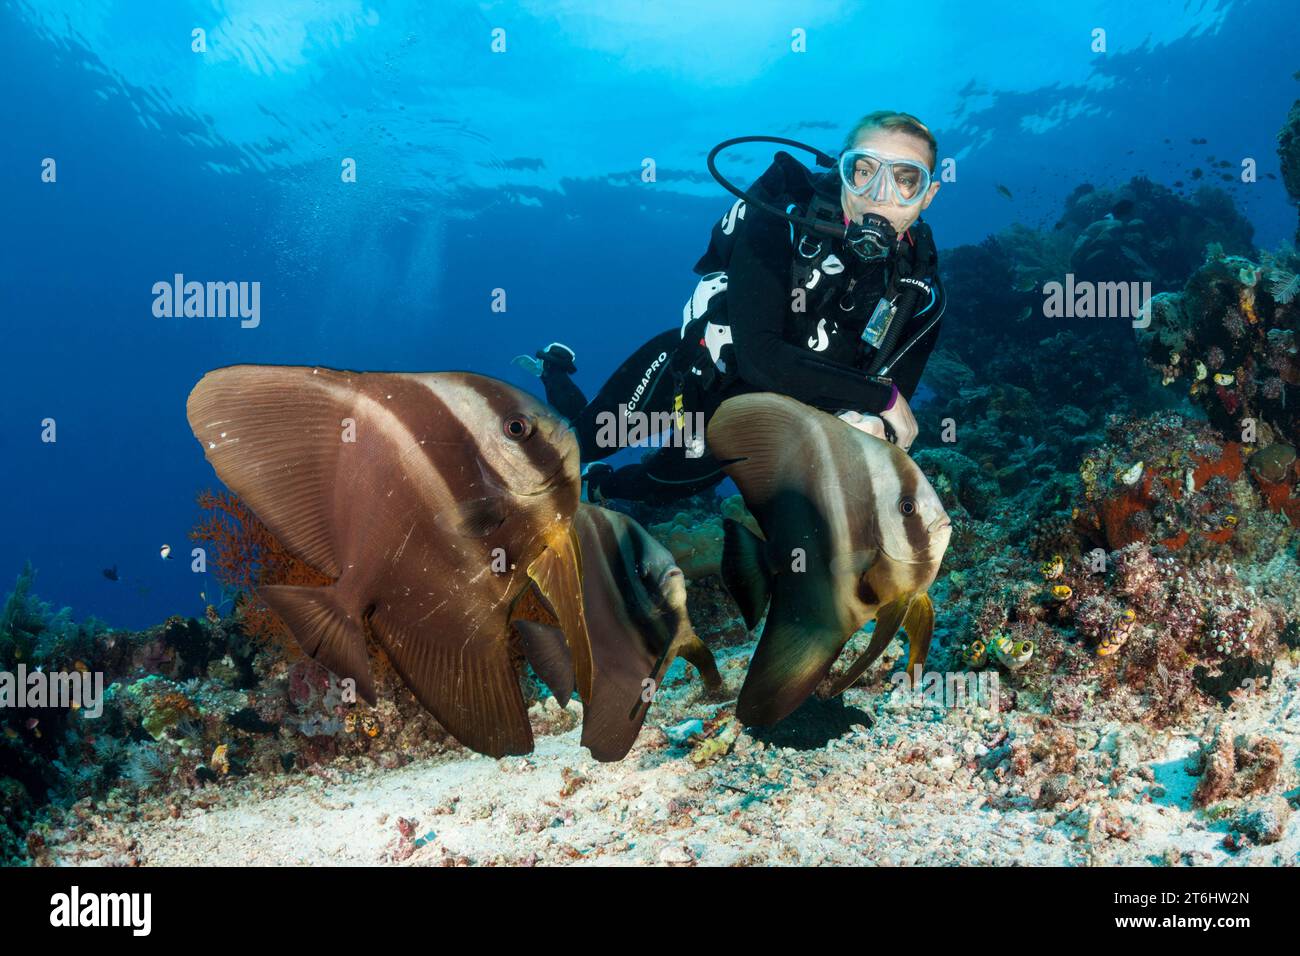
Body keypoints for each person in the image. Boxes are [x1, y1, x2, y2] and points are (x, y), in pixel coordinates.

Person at [518, 111, 946, 504]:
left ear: (928, 195)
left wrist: (869, 427)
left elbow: (896, 411)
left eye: (906, 179)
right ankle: (553, 370)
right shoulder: (779, 220)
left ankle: (597, 486)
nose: (879, 195)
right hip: (691, 376)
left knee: (666, 485)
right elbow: (761, 357)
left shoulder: (919, 294)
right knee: (580, 445)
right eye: (864, 171)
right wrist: (880, 397)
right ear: (842, 170)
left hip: (755, 421)